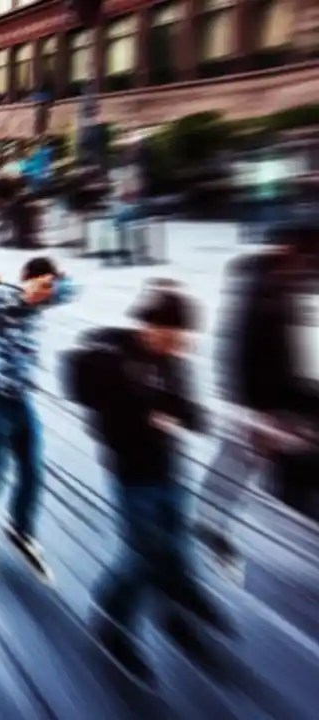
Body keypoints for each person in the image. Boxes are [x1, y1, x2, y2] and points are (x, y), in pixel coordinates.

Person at [65, 283, 232, 687]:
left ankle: (176, 612)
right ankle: (111, 621)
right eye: (170, 334)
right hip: (132, 476)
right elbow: (97, 407)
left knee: (175, 546)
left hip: (169, 471)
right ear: (150, 325)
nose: (176, 343)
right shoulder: (115, 359)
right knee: (142, 556)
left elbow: (187, 411)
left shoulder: (172, 362)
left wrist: (193, 417)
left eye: (181, 337)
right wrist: (145, 416)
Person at [194, 221, 319, 578]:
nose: (307, 262)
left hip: (293, 391)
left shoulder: (296, 283)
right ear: (285, 248)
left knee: (255, 459)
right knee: (238, 458)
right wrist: (249, 407)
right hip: (259, 396)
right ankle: (210, 517)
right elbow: (237, 348)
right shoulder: (258, 288)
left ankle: (291, 491)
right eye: (303, 253)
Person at [0, 257, 77, 589]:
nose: (44, 295)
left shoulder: (43, 301)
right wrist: (27, 289)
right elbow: (8, 297)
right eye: (40, 285)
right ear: (26, 280)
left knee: (32, 470)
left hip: (23, 402)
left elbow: (73, 290)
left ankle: (20, 528)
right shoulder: (2, 300)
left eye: (48, 288)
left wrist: (59, 280)